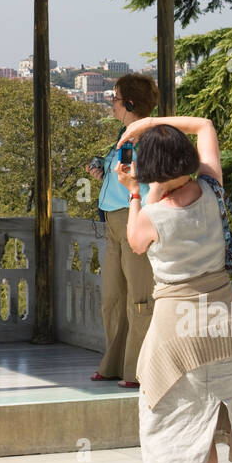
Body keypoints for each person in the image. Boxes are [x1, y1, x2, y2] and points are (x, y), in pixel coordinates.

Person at [115, 114, 232, 463]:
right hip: (221, 317)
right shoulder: (212, 188)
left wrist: (135, 190)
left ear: (148, 167)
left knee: (157, 417)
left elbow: (135, 242)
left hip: (177, 321)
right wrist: (151, 122)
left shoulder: (151, 216)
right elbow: (207, 125)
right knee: (206, 428)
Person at [88, 75, 158, 387]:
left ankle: (136, 370)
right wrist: (101, 172)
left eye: (115, 99)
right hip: (113, 221)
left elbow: (150, 179)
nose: (112, 104)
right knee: (113, 298)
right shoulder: (124, 136)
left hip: (135, 219)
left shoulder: (148, 137)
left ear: (129, 104)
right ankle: (114, 363)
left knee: (139, 297)